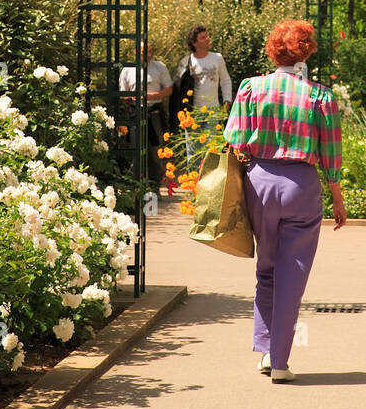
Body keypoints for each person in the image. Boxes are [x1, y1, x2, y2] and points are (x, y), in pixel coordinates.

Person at [223, 19, 346, 383]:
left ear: (272, 50)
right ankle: (280, 361)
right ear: (306, 52)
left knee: (267, 267)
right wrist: (337, 197)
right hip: (301, 185)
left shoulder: (250, 88)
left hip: (259, 182)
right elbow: (331, 155)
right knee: (293, 273)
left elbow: (235, 138)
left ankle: (264, 351)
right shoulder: (320, 96)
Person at [119, 41, 173, 185]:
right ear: (136, 52)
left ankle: (155, 185)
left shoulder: (159, 67)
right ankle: (137, 185)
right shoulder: (127, 70)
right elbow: (122, 94)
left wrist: (152, 96)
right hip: (135, 111)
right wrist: (133, 96)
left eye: (149, 51)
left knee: (156, 151)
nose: (147, 54)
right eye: (143, 51)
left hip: (154, 111)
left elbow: (169, 90)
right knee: (135, 149)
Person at [177, 25, 233, 162]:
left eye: (207, 36)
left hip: (213, 110)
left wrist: (227, 101)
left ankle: (210, 183)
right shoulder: (186, 62)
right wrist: (182, 112)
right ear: (194, 43)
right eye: (203, 38)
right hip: (192, 113)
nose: (208, 39)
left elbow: (226, 81)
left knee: (212, 151)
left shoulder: (217, 58)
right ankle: (194, 182)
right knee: (193, 152)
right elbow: (179, 89)